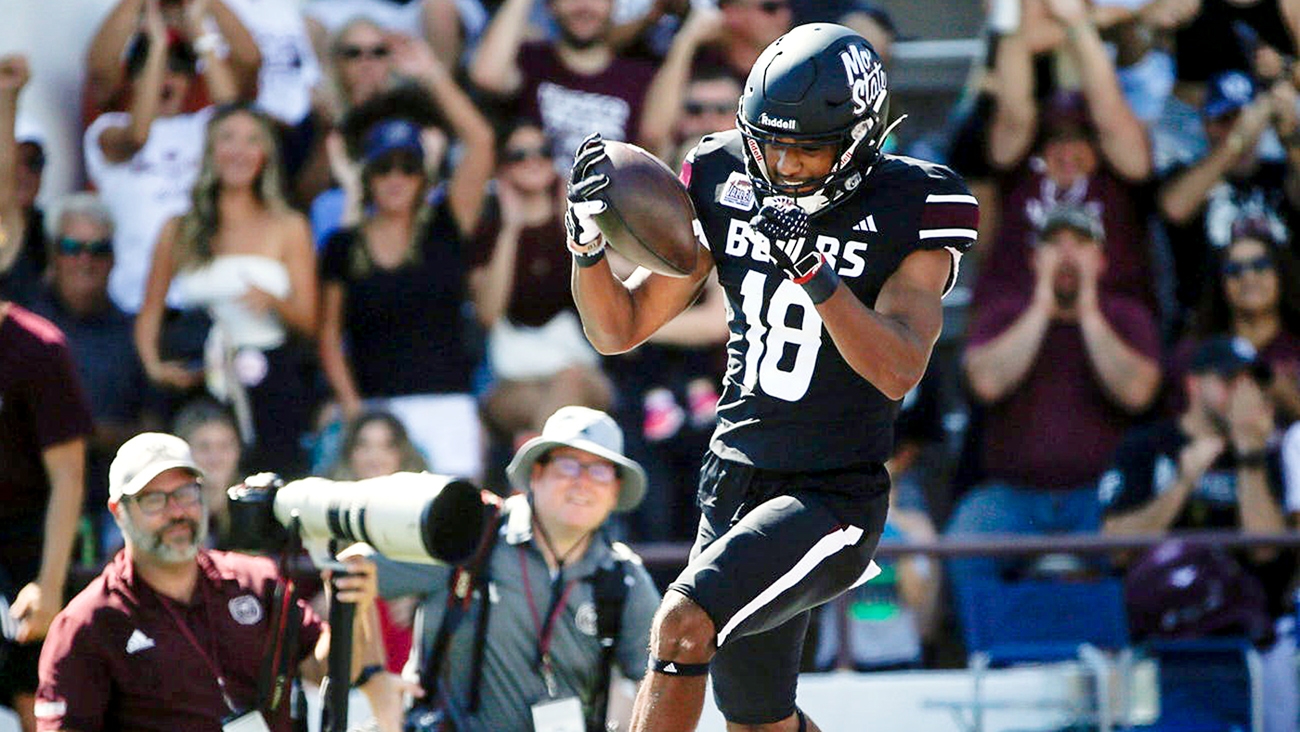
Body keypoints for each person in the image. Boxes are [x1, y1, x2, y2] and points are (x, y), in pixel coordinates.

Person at [565, 23, 977, 731]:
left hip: (831, 494)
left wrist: (814, 273)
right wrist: (589, 244)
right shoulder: (722, 172)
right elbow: (621, 327)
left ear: (860, 138)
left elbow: (898, 369)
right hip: (732, 477)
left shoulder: (915, 202)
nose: (782, 164)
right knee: (758, 721)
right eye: (769, 142)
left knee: (682, 624)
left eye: (806, 147)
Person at [33, 432, 390, 732]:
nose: (177, 512)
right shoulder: (87, 622)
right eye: (155, 500)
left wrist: (352, 606)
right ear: (118, 511)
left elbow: (325, 670)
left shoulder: (255, 579)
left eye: (186, 493)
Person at [343, 406, 661, 732]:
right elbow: (351, 568)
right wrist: (371, 677)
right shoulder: (469, 533)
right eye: (568, 465)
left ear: (615, 491)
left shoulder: (623, 578)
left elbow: (664, 681)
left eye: (600, 471)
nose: (582, 483)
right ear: (536, 473)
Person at [952, 205, 1162, 621]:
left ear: (1101, 260)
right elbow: (986, 384)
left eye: (1081, 244)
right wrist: (1043, 306)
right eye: (1055, 243)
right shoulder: (1005, 312)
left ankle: (1129, 656)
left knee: (1149, 548)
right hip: (1013, 498)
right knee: (963, 541)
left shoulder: (1126, 315)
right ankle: (988, 657)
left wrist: (1087, 311)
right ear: (1035, 258)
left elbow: (1138, 393)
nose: (1067, 255)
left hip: (1101, 499)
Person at [1100, 335, 1296, 732]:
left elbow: (1265, 552)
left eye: (1250, 383)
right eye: (1229, 381)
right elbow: (1115, 545)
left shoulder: (1264, 451)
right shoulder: (1147, 445)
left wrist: (1249, 455)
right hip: (1161, 640)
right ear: (1193, 385)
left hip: (1249, 640)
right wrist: (1183, 483)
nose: (1242, 394)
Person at [317, 42, 494, 479]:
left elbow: (481, 141)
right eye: (383, 168)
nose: (396, 178)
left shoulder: (445, 227)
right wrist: (356, 411)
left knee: (455, 535)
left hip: (448, 405)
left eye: (408, 167)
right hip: (376, 415)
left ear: (423, 176)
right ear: (367, 176)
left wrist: (433, 74)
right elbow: (328, 338)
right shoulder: (343, 243)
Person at [135, 104, 320, 478]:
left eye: (252, 140)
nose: (239, 150)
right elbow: (150, 310)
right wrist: (155, 366)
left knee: (270, 484)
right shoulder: (180, 227)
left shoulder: (289, 225)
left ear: (264, 154)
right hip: (201, 381)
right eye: (227, 139)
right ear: (210, 151)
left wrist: (274, 302)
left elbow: (309, 321)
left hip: (267, 378)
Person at [0, 61, 96, 732]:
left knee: (35, 705)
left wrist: (52, 581)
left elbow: (68, 478)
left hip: (21, 550)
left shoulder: (38, 348)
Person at [84, 0, 242, 314]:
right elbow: (137, 137)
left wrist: (199, 28)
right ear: (133, 78)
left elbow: (234, 114)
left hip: (202, 301)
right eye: (156, 69)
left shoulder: (201, 128)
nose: (167, 80)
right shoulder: (106, 129)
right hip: (133, 302)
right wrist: (155, 45)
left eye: (179, 70)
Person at [25, 193, 152, 562]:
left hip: (115, 507)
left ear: (113, 258)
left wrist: (91, 435)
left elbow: (154, 426)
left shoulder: (133, 334)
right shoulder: (24, 327)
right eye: (72, 247)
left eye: (98, 249)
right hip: (30, 508)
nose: (85, 259)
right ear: (53, 254)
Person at [474, 121, 613, 450]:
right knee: (554, 404)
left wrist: (571, 216)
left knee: (570, 380)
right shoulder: (489, 233)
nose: (533, 161)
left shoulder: (582, 224)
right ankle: (549, 464)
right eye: (519, 155)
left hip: (583, 372)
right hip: (512, 381)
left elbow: (614, 284)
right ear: (501, 168)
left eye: (543, 152)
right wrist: (510, 228)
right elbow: (488, 314)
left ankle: (534, 469)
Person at [468, 0, 659, 170]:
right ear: (549, 5)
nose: (584, 6)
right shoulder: (533, 60)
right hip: (537, 197)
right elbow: (487, 76)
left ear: (614, 5)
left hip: (607, 204)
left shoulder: (640, 77)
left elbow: (654, 142)